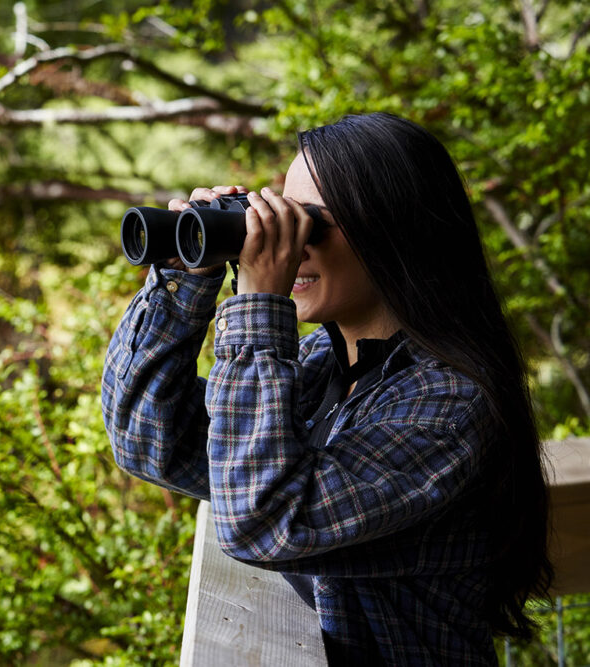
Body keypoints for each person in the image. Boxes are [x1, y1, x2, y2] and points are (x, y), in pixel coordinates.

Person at [100, 112, 552, 665]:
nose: (290, 247)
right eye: (282, 218)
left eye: (309, 223)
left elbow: (263, 521)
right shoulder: (324, 361)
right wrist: (182, 281)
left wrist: (260, 307)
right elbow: (152, 444)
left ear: (396, 229)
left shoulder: (447, 405)